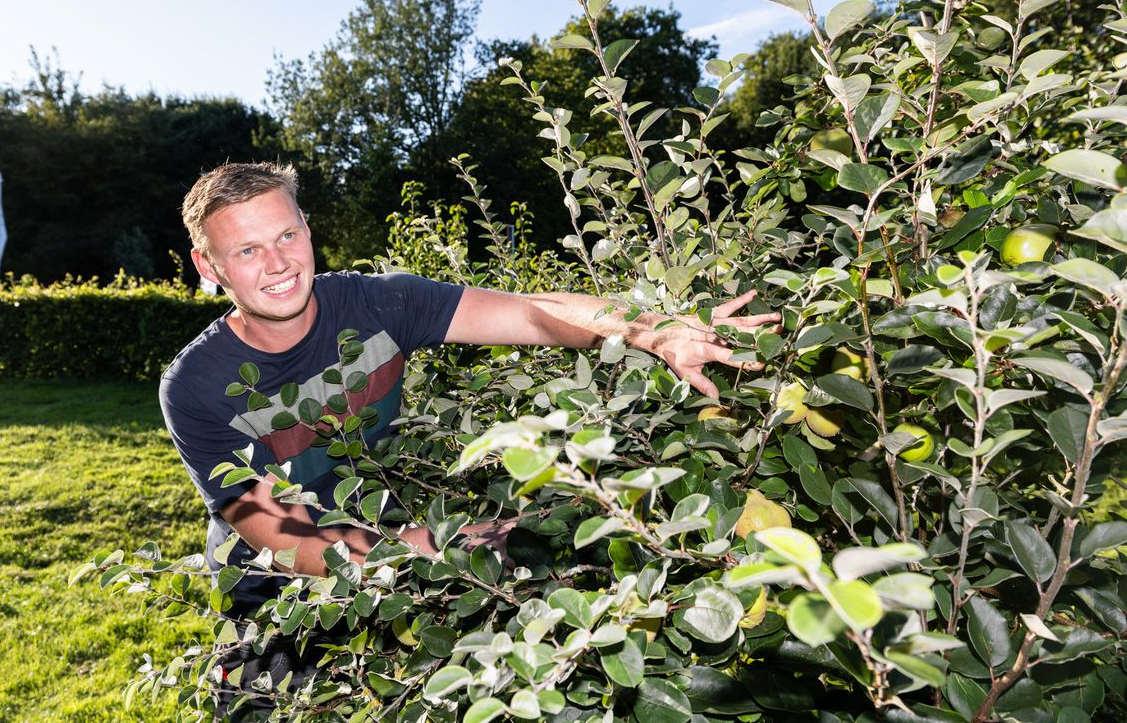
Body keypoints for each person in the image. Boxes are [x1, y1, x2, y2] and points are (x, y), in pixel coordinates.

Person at [159, 161, 778, 718]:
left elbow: (533, 310)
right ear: (209, 267)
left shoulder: (380, 304)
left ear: (307, 228)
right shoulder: (196, 385)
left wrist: (654, 331)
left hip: (383, 548)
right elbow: (285, 538)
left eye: (287, 235)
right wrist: (431, 547)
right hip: (269, 600)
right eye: (247, 250)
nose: (278, 264)